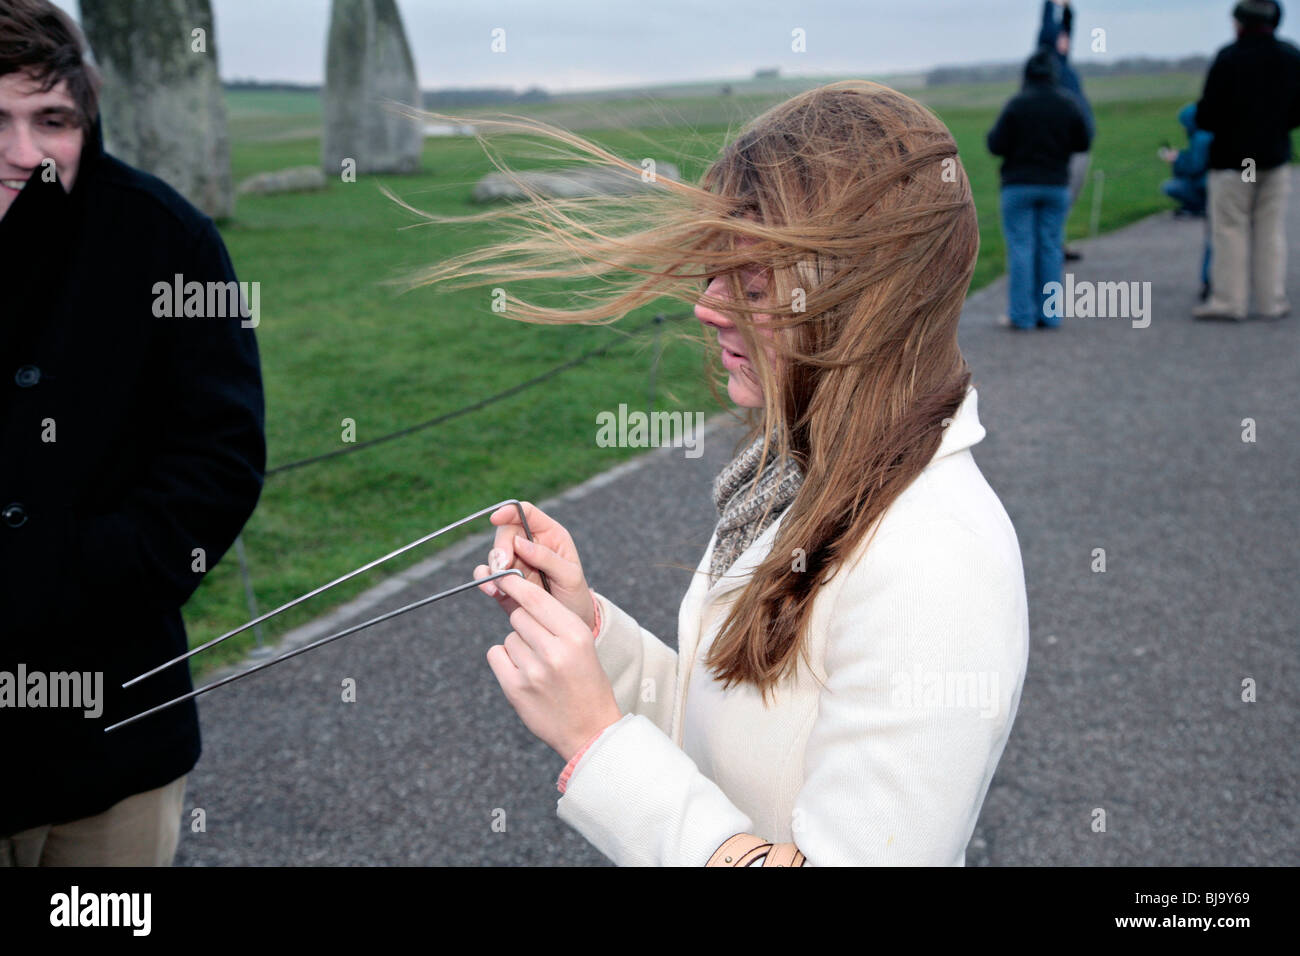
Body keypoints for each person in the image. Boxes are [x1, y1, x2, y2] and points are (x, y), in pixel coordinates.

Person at [405, 80, 1030, 865]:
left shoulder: (935, 562)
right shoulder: (795, 477)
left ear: (859, 303)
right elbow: (727, 737)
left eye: (754, 284)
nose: (705, 305)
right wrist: (592, 634)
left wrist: (597, 743)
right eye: (712, 271)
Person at [0, 0, 265, 865]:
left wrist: (74, 571)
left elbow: (221, 458)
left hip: (117, 718)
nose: (23, 155)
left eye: (52, 119)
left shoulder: (168, 240)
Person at [1192, 0, 1300, 322]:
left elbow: (1206, 115)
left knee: (1231, 229)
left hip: (1236, 160)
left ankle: (1229, 300)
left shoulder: (1229, 59)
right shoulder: (1290, 57)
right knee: (1269, 230)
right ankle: (1271, 300)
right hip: (1273, 156)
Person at [987, 50, 1093, 330]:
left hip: (1018, 186)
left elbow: (995, 145)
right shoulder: (1068, 104)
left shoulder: (1016, 105)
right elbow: (1083, 142)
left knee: (1021, 249)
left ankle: (1021, 316)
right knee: (1050, 249)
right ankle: (1050, 314)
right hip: (1056, 185)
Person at [1037, 0, 1094, 261]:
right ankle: (1050, 248)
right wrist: (1051, 5)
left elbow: (1065, 33)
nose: (1064, 41)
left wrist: (1069, 11)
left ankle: (1055, 244)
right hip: (1066, 149)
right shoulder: (1050, 64)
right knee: (1059, 200)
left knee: (1067, 199)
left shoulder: (1064, 65)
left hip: (1079, 147)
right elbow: (1048, 31)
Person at [1159, 103, 1215, 300]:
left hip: (1209, 189)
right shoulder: (1204, 135)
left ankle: (1210, 280)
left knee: (1216, 235)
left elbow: (1194, 167)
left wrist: (1176, 160)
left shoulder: (1201, 138)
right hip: (1219, 186)